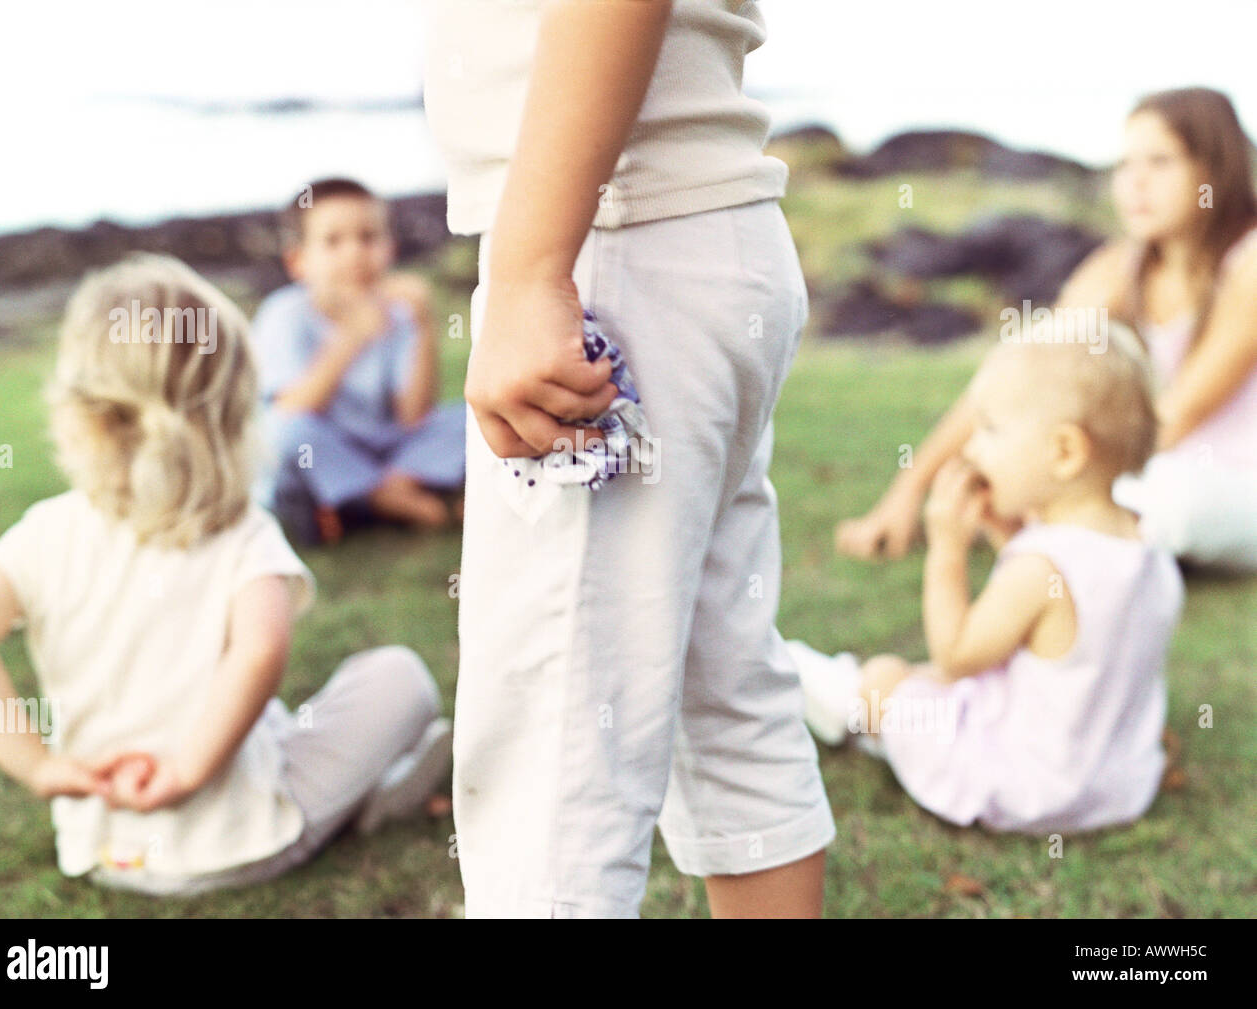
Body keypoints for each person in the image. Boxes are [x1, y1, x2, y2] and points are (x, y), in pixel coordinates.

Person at [424, 0, 833, 918]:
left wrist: (532, 268)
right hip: (687, 228)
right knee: (719, 685)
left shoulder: (574, 251)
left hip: (610, 238)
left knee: (552, 764)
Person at [0, 255, 453, 896]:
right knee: (398, 677)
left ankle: (364, 799)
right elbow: (260, 652)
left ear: (83, 412)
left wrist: (39, 768)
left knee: (273, 720)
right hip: (241, 841)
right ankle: (366, 806)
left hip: (109, 850)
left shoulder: (45, 532)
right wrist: (187, 773)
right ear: (233, 410)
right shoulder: (243, 532)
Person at [837, 88, 1257, 572]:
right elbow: (1023, 369)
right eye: (1125, 165)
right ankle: (1058, 524)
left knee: (1171, 501)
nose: (1136, 183)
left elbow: (1176, 417)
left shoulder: (1245, 266)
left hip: (1223, 480)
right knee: (1055, 471)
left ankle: (1054, 525)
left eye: (1160, 163)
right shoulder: (1121, 268)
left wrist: (1051, 481)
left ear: (1213, 171)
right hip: (1156, 471)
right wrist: (907, 489)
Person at [788, 325, 1185, 833]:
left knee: (889, 678)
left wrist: (948, 551)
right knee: (929, 679)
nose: (971, 450)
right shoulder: (1146, 549)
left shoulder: (1040, 568)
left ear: (1064, 452)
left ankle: (849, 706)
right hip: (1115, 785)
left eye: (990, 430)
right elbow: (1065, 637)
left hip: (1026, 787)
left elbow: (958, 656)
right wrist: (1008, 541)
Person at [251, 178, 466, 545]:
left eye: (368, 237)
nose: (354, 254)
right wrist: (351, 337)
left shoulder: (397, 315)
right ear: (298, 261)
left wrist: (424, 324)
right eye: (333, 241)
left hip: (389, 448)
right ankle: (392, 497)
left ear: (390, 248)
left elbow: (414, 417)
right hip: (324, 448)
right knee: (284, 434)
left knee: (468, 416)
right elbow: (292, 407)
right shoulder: (283, 314)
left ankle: (378, 495)